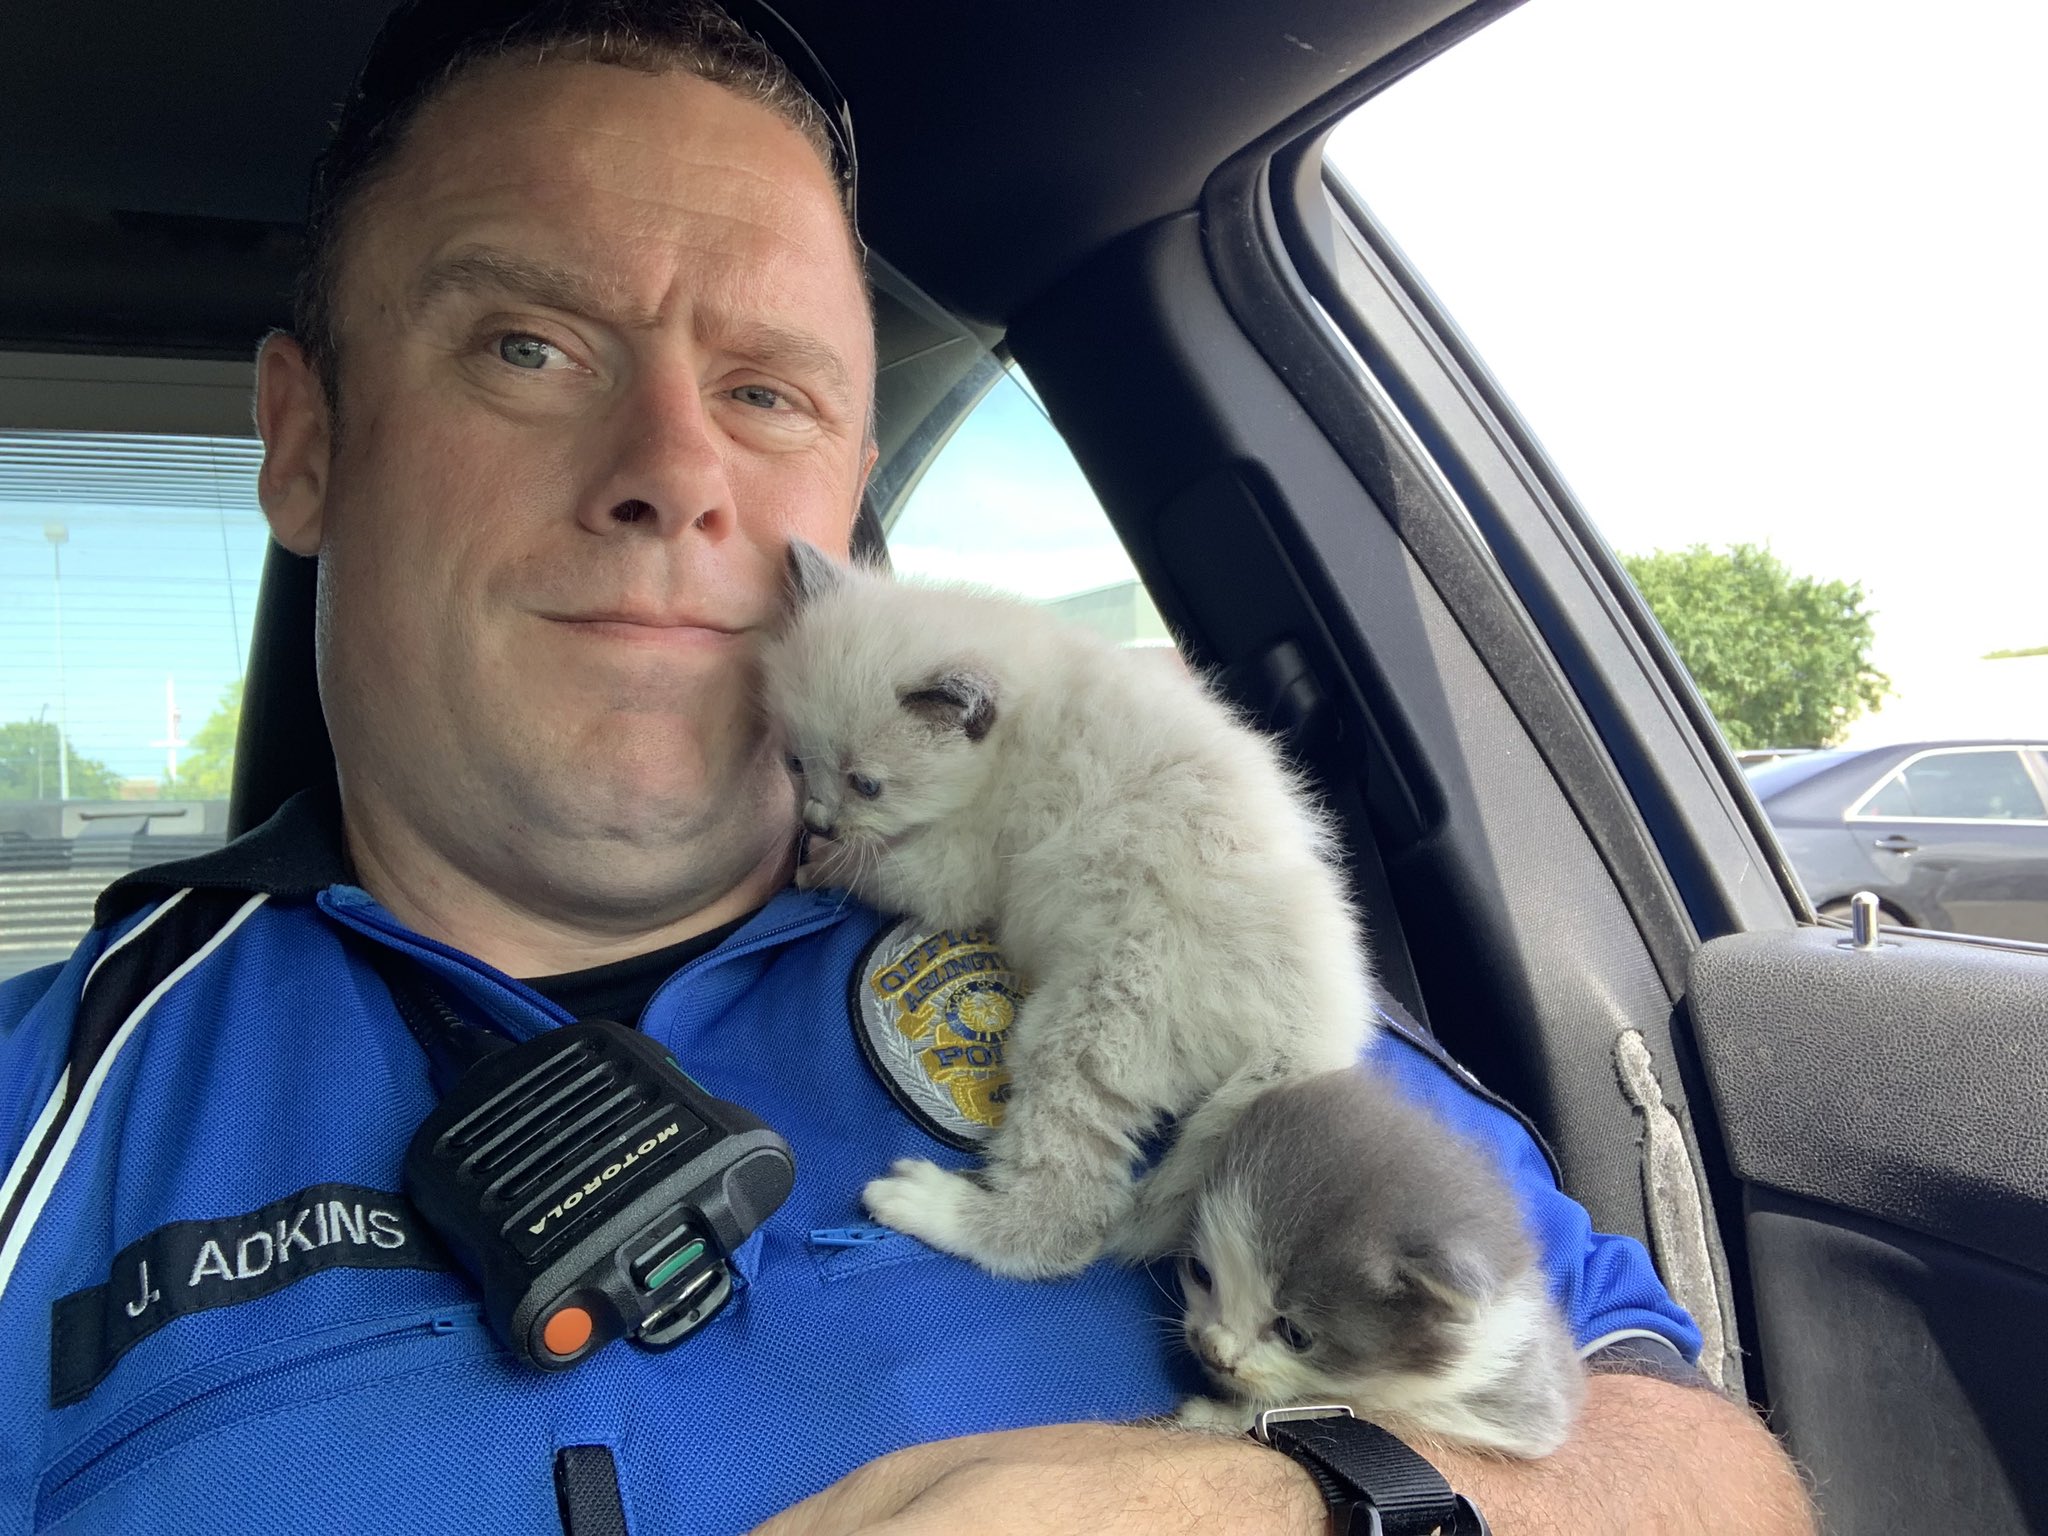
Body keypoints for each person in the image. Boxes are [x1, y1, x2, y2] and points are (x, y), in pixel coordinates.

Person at [0, 2, 1813, 1531]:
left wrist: (1286, 1499)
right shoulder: (54, 1119)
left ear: (847, 526)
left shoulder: (1158, 943)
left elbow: (1697, 1462)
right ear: (308, 445)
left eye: (769, 392)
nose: (674, 468)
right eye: (529, 344)